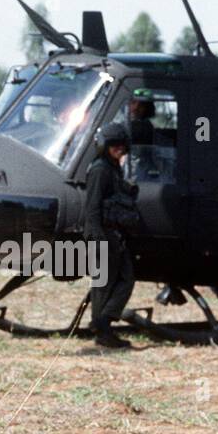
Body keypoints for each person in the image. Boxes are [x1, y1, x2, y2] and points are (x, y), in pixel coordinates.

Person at [83, 122, 139, 349]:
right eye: (114, 145)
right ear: (105, 146)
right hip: (103, 234)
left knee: (124, 279)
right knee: (103, 284)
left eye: (122, 145)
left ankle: (102, 323)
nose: (119, 148)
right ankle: (102, 329)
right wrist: (96, 237)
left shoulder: (114, 169)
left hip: (114, 234)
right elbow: (93, 207)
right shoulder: (100, 170)